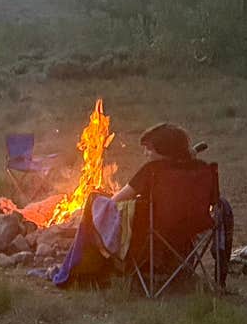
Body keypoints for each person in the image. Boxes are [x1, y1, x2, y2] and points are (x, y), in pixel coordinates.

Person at [54, 122, 215, 285]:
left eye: (149, 149)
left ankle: (83, 270)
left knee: (94, 201)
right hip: (194, 227)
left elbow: (115, 200)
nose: (145, 154)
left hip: (154, 231)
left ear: (163, 150)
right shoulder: (202, 168)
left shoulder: (153, 170)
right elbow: (214, 200)